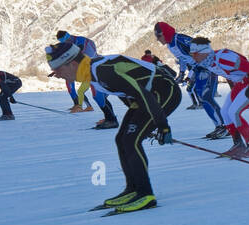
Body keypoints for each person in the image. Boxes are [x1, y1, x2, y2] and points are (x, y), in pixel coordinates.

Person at [46, 38, 180, 213]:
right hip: (146, 96)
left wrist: (162, 126)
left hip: (164, 91)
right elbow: (126, 90)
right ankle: (133, 189)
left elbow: (142, 93)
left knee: (131, 141)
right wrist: (140, 123)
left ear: (71, 64)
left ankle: (145, 194)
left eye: (57, 69)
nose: (56, 74)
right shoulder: (91, 72)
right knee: (122, 139)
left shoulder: (101, 70)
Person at [188, 37, 249, 158]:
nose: (193, 57)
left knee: (234, 113)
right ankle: (238, 145)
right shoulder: (208, 61)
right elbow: (228, 73)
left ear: (204, 52)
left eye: (194, 54)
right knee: (225, 112)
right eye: (191, 54)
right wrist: (234, 89)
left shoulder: (223, 58)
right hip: (240, 84)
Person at [154, 22, 221, 138]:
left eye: (159, 36)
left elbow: (203, 48)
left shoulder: (180, 39)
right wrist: (181, 73)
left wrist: (206, 65)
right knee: (202, 96)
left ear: (165, 33)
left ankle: (224, 126)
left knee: (205, 96)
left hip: (207, 67)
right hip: (198, 69)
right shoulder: (171, 45)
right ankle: (220, 125)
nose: (158, 39)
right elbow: (182, 59)